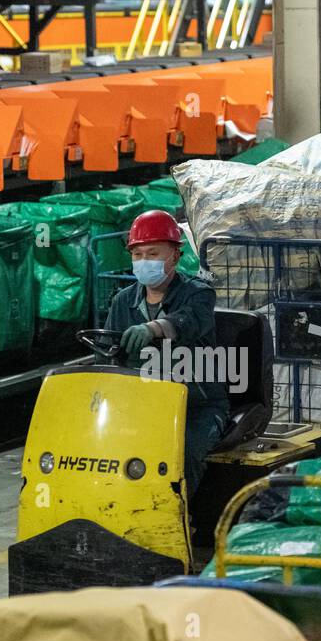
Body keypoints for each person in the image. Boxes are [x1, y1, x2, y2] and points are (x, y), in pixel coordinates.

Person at [103, 210, 229, 494]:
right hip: (141, 405)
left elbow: (191, 320)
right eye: (138, 255)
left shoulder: (198, 293)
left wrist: (155, 328)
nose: (144, 261)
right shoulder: (123, 302)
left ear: (175, 255)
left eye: (152, 253)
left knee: (180, 455)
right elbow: (109, 354)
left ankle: (181, 521)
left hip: (196, 406)